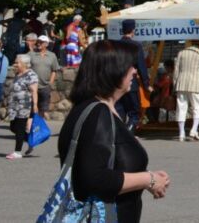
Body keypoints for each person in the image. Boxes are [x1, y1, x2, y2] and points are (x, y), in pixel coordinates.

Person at [58, 40, 170, 222]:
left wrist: (148, 178)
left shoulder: (97, 109)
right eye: (129, 65)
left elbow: (110, 163)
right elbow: (94, 178)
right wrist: (147, 179)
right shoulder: (97, 113)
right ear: (113, 70)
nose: (135, 71)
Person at [115, 20, 150, 130]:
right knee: (134, 113)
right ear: (132, 30)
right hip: (131, 83)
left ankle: (118, 135)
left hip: (116, 82)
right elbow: (141, 67)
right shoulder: (135, 45)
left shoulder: (115, 45)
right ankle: (128, 135)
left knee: (119, 111)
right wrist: (146, 84)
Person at [4, 54, 39, 160]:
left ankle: (17, 152)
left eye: (17, 62)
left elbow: (34, 91)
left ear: (24, 64)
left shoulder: (31, 75)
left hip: (24, 105)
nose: (15, 64)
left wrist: (35, 105)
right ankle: (30, 141)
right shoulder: (18, 74)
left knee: (19, 128)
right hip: (14, 106)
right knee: (13, 127)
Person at [173, 39, 199, 141]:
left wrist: (175, 85)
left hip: (181, 83)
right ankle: (193, 129)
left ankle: (181, 133)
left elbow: (176, 71)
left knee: (181, 108)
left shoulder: (181, 53)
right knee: (198, 107)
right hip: (195, 83)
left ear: (191, 43)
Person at [29, 34, 61, 122]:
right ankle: (31, 125)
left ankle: (40, 125)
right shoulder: (31, 54)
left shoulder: (52, 55)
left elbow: (54, 70)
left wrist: (50, 82)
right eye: (38, 42)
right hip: (32, 86)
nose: (39, 44)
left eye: (41, 42)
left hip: (45, 86)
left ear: (46, 44)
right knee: (32, 107)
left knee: (43, 108)